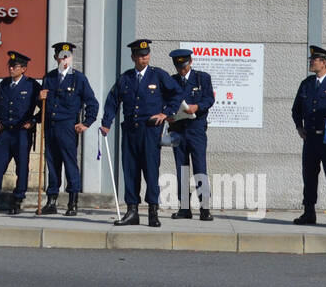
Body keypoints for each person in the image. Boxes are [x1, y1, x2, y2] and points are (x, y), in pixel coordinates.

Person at [100, 39, 181, 227]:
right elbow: (112, 100)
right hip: (130, 131)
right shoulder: (126, 78)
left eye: (146, 55)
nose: (144, 58)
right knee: (130, 171)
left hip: (150, 131)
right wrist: (106, 123)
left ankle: (153, 211)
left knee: (151, 171)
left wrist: (166, 113)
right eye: (140, 55)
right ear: (133, 57)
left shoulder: (158, 75)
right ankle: (132, 211)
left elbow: (176, 93)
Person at [290, 45, 326, 227]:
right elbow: (296, 109)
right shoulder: (306, 84)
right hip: (311, 140)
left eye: (314, 60)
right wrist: (299, 126)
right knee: (309, 175)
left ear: (323, 63)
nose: (311, 62)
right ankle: (309, 212)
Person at [37, 41, 97, 217]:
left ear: (71, 58)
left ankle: (73, 201)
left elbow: (92, 103)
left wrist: (86, 123)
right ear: (56, 58)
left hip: (68, 127)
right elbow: (42, 106)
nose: (64, 60)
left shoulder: (78, 78)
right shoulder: (49, 78)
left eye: (67, 56)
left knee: (70, 164)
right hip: (50, 126)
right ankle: (52, 200)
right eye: (61, 57)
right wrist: (39, 98)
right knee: (52, 164)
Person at [0, 51, 41, 216]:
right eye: (10, 66)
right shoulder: (4, 84)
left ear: (23, 69)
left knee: (21, 168)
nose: (11, 68)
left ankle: (18, 199)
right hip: (5, 133)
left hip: (22, 133)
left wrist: (33, 121)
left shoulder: (32, 85)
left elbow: (45, 108)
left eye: (15, 66)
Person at [167, 48, 215, 221]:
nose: (182, 69)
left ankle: (204, 208)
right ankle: (184, 208)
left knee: (200, 168)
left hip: (196, 129)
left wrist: (197, 107)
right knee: (182, 169)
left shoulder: (202, 78)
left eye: (184, 65)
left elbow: (209, 99)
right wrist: (168, 115)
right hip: (178, 130)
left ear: (190, 62)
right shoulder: (172, 81)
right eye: (179, 66)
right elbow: (166, 101)